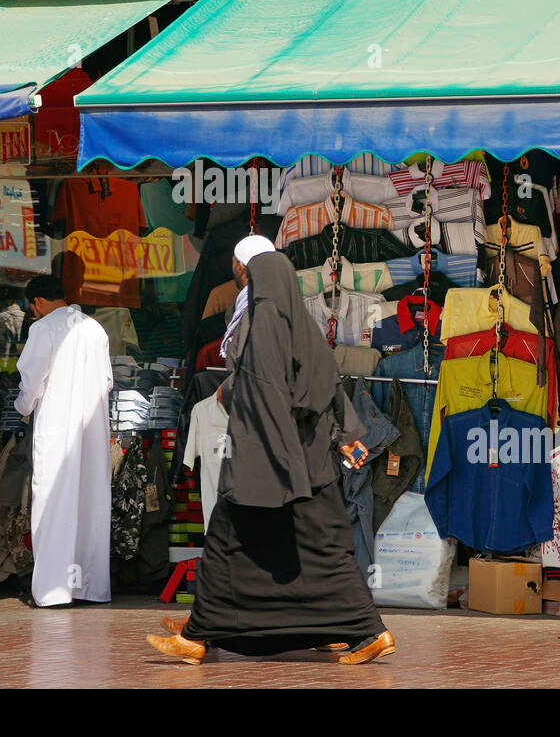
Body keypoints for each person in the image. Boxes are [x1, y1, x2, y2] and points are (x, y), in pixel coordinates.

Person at [148, 239, 396, 664]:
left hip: (271, 457)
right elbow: (327, 386)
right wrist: (342, 436)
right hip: (307, 460)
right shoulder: (298, 321)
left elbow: (265, 394)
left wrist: (271, 461)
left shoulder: (264, 320)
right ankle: (202, 628)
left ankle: (199, 634)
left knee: (231, 541)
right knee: (311, 550)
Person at [13, 273, 113, 607]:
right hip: (92, 432)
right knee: (89, 503)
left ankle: (54, 589)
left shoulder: (42, 329)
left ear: (38, 303)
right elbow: (109, 381)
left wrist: (22, 408)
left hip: (57, 429)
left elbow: (31, 381)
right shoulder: (94, 328)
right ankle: (87, 586)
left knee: (54, 502)